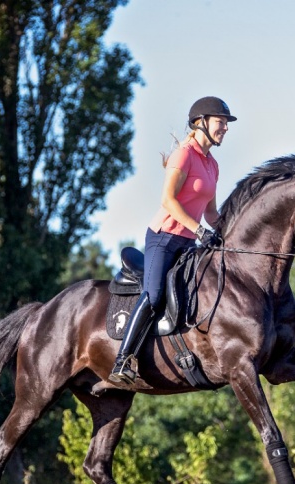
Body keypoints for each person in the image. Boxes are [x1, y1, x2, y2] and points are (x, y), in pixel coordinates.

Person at [108, 96, 236, 385]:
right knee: (154, 295)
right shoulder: (184, 155)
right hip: (164, 239)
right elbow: (167, 200)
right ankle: (123, 360)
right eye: (221, 122)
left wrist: (229, 231)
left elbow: (212, 213)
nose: (225, 128)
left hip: (188, 242)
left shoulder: (212, 165)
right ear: (200, 122)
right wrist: (200, 230)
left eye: (226, 124)